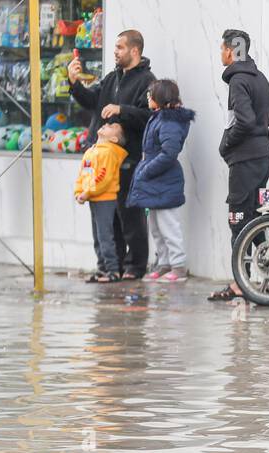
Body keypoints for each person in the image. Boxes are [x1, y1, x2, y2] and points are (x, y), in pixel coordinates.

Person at [69, 29, 156, 279]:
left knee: (130, 213)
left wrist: (122, 109)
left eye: (120, 47)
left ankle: (135, 266)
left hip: (127, 158)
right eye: (115, 47)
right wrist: (74, 84)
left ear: (134, 50)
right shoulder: (111, 78)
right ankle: (112, 264)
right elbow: (91, 101)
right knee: (108, 217)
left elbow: (149, 116)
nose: (115, 52)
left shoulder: (147, 80)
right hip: (101, 158)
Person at [210, 29, 269, 303]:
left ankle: (240, 282)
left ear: (231, 50)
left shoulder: (238, 80)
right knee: (254, 216)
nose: (220, 53)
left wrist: (227, 144)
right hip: (261, 155)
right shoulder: (259, 78)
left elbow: (244, 122)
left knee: (238, 219)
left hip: (246, 157)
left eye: (222, 48)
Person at [128, 79, 196, 282]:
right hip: (155, 183)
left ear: (160, 97)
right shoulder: (158, 117)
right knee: (156, 228)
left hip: (164, 182)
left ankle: (178, 267)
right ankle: (164, 264)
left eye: (150, 94)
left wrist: (146, 170)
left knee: (169, 227)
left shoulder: (170, 121)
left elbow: (169, 153)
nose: (148, 98)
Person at [74, 121, 128, 283]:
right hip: (92, 197)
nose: (107, 124)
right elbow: (83, 174)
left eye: (113, 127)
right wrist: (79, 192)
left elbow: (104, 179)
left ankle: (112, 270)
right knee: (98, 236)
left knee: (105, 235)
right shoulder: (91, 151)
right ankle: (102, 267)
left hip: (105, 198)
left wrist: (87, 192)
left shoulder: (109, 153)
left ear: (114, 139)